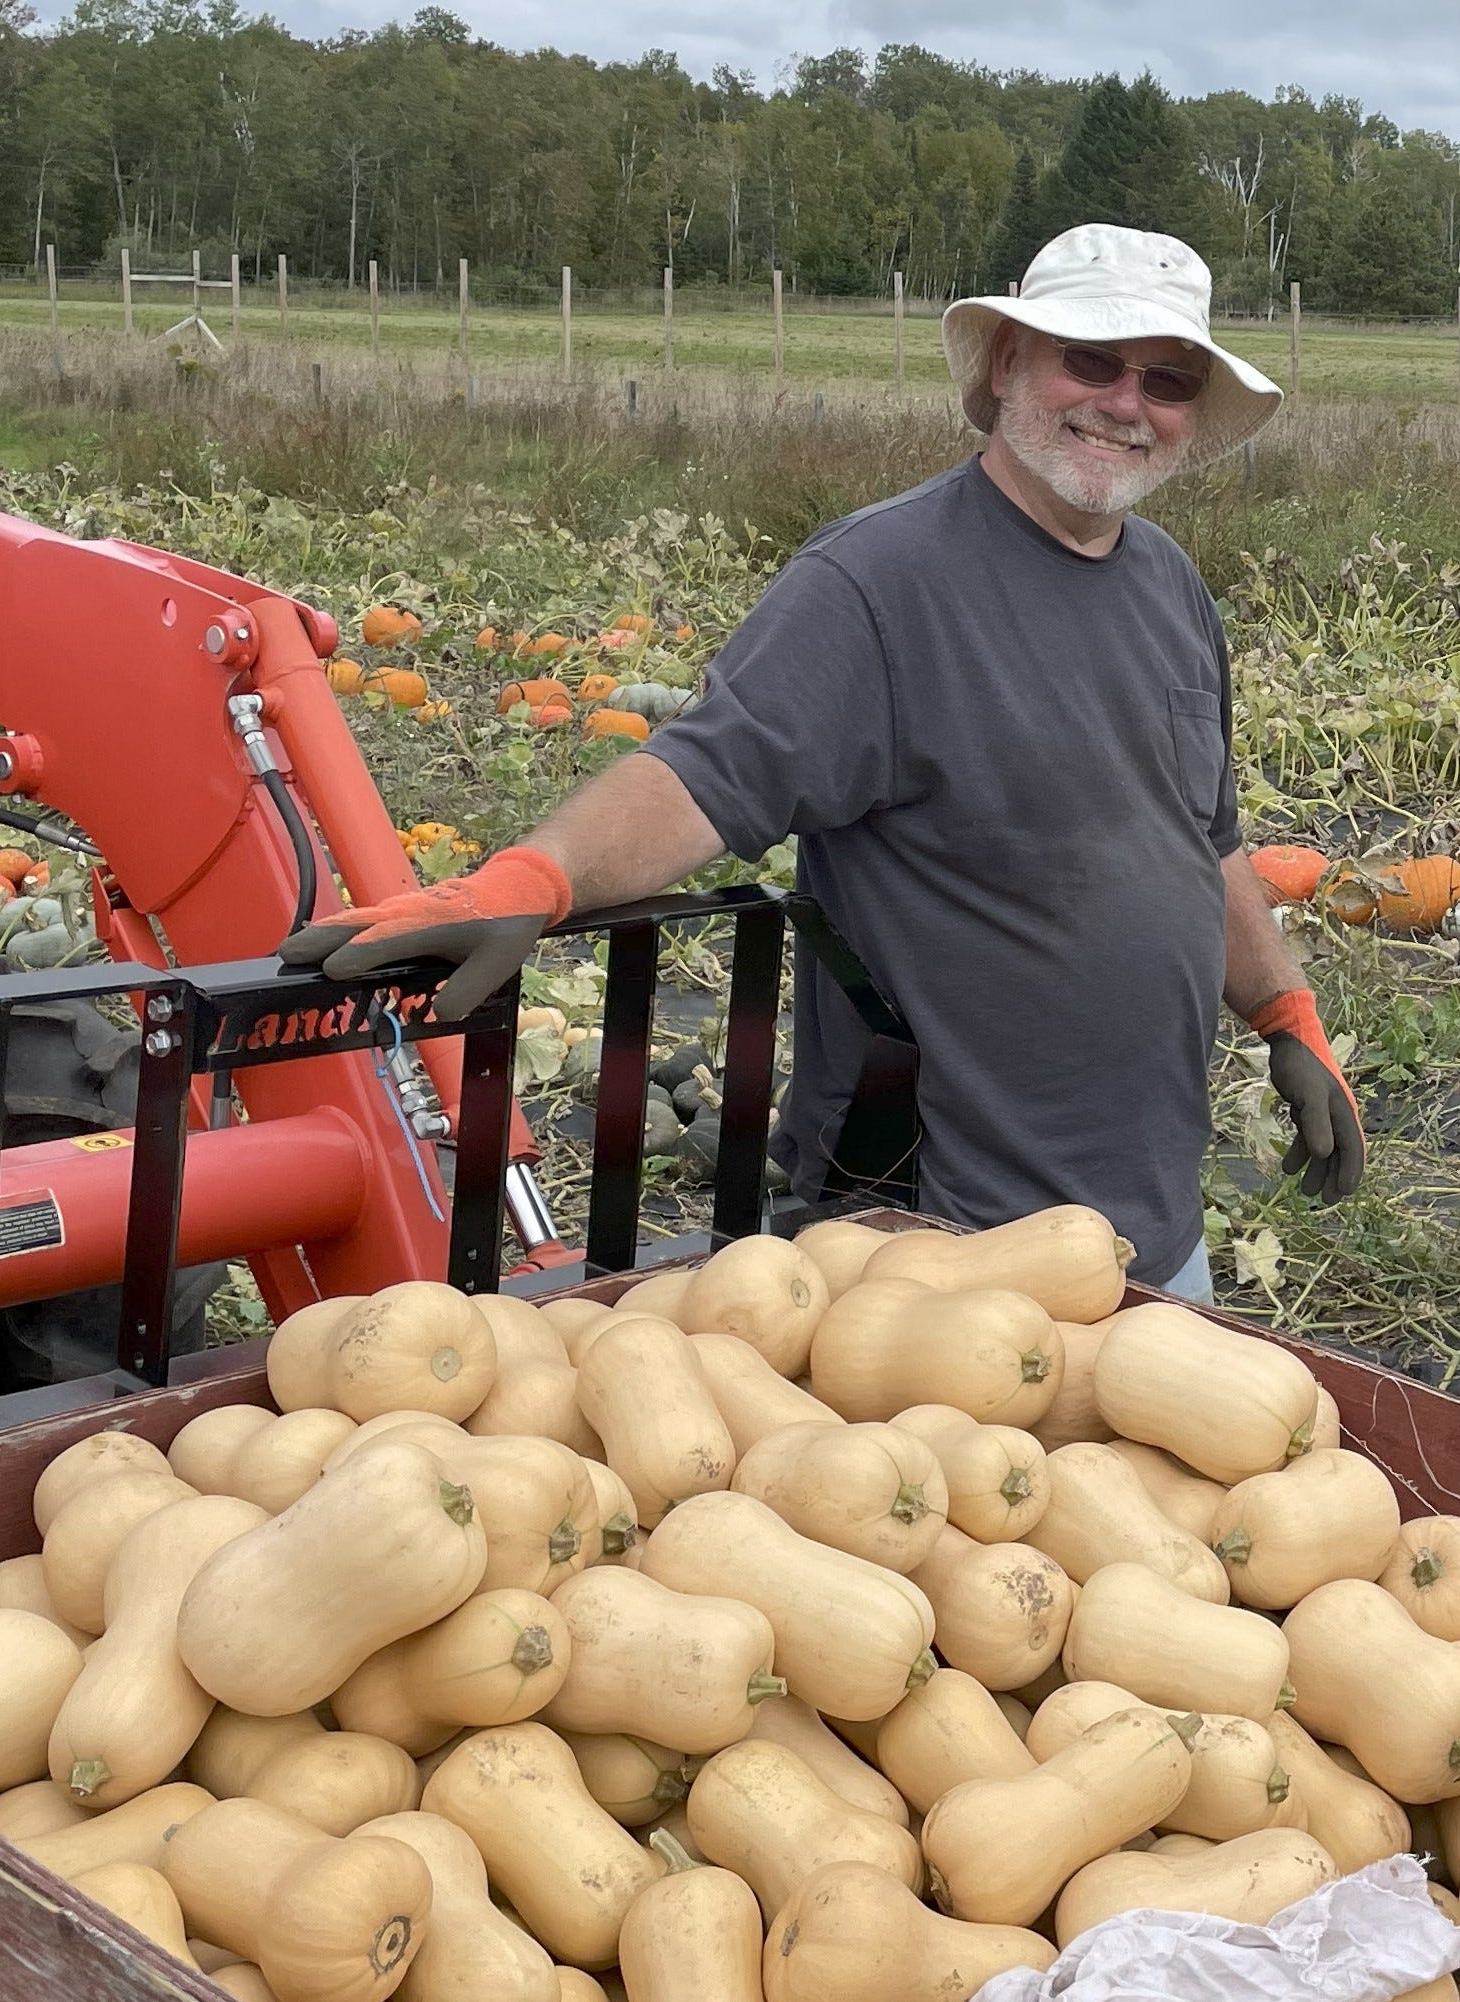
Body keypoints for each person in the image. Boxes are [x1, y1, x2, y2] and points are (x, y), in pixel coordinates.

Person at [278, 224, 1358, 1301]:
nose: (1125, 403)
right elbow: (702, 775)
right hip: (934, 1242)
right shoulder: (878, 582)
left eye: (1165, 380)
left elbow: (1200, 840)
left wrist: (1285, 1012)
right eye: (1090, 360)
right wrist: (535, 878)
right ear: (1006, 364)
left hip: (1153, 1230)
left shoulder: (1169, 587)